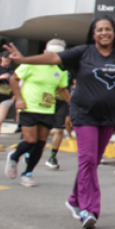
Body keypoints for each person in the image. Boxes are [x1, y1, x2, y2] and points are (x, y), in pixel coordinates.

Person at [3, 16, 115, 229]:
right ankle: (89, 210)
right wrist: (23, 59)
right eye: (99, 29)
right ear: (94, 34)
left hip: (107, 117)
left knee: (92, 162)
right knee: (88, 160)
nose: (103, 33)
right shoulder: (83, 52)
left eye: (107, 29)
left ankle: (74, 199)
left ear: (114, 33)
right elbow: (53, 57)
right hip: (83, 114)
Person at [6, 39, 71, 187]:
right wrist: (19, 99)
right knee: (30, 140)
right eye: (52, 52)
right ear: (45, 52)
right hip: (29, 107)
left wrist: (72, 103)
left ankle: (28, 173)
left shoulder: (61, 70)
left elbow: (62, 89)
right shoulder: (31, 64)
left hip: (47, 109)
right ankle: (14, 157)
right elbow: (13, 79)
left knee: (40, 143)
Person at [45, 39, 71, 170]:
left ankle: (52, 156)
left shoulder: (64, 69)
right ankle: (31, 150)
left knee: (60, 130)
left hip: (60, 101)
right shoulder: (38, 65)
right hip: (44, 101)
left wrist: (72, 103)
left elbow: (64, 88)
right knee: (42, 130)